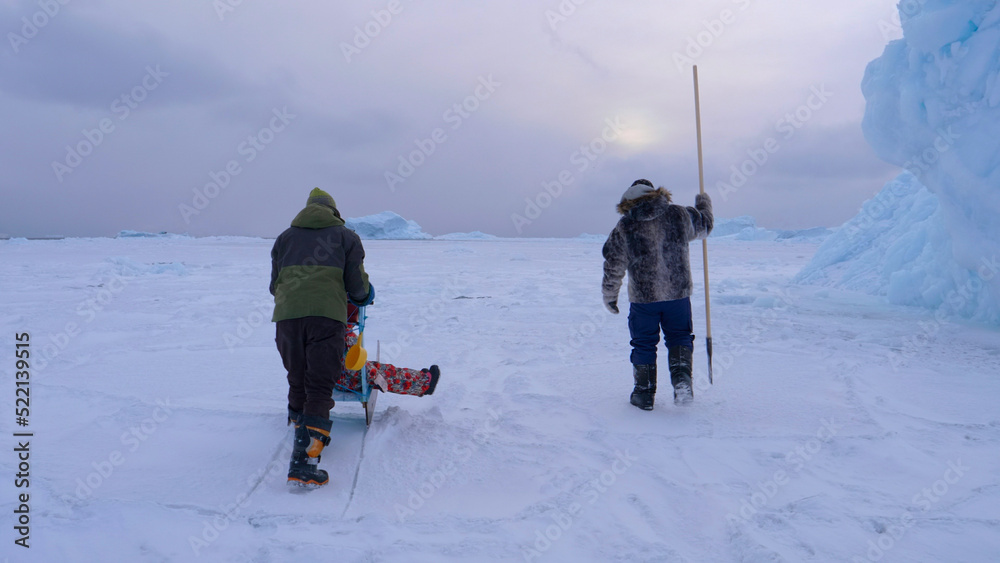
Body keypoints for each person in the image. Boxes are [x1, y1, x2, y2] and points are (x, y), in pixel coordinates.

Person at [270, 188, 374, 488]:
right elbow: (357, 287)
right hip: (327, 318)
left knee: (297, 374)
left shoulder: (284, 238)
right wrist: (366, 294)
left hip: (287, 317)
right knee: (319, 383)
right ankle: (304, 463)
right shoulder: (347, 237)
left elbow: (274, 285)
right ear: (334, 211)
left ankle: (296, 418)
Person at [601, 179, 713, 410]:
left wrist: (610, 295)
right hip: (677, 295)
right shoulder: (679, 215)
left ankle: (643, 394)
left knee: (643, 344)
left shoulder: (625, 225)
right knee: (680, 337)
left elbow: (613, 264)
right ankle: (682, 383)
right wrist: (703, 205)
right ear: (655, 194)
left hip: (644, 299)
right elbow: (705, 226)